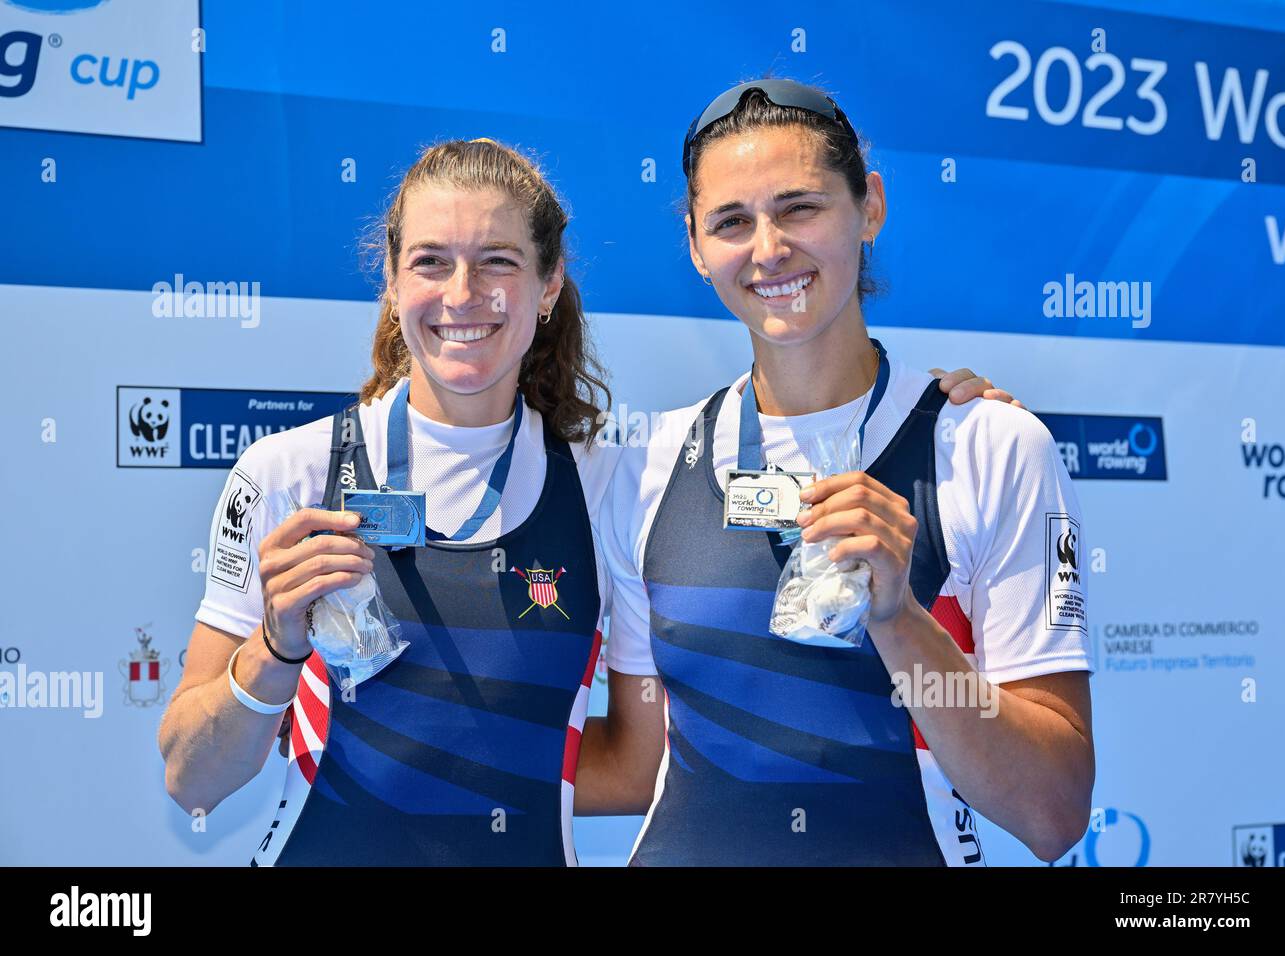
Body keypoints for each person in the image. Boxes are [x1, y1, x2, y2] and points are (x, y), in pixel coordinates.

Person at [158, 135, 1017, 866]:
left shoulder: (614, 479)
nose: (463, 297)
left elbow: (636, 766)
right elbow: (191, 778)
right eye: (431, 263)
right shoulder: (289, 473)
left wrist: (944, 419)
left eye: (498, 262)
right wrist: (274, 651)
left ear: (550, 282)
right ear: (390, 279)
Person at [586, 79, 1096, 866]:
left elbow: (1053, 813)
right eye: (731, 222)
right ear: (695, 245)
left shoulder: (990, 446)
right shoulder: (648, 461)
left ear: (871, 207)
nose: (768, 249)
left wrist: (899, 619)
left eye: (800, 208)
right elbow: (630, 761)